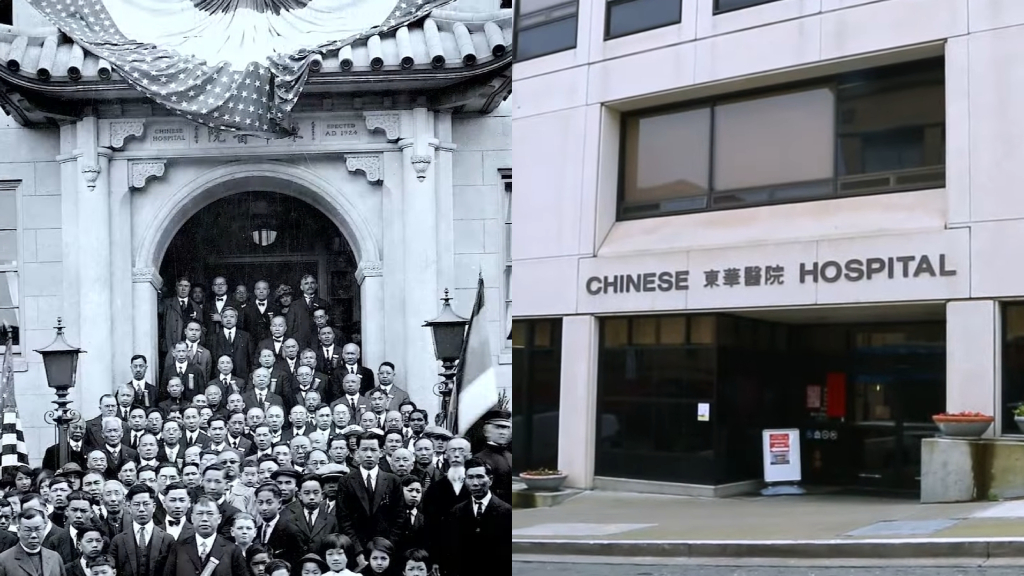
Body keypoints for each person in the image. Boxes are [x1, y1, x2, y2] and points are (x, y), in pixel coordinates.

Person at [335, 432, 404, 556]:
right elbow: (344, 520)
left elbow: (399, 519)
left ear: (381, 452)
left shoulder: (393, 481)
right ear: (357, 453)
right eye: (364, 450)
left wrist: (386, 549)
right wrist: (358, 552)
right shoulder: (345, 481)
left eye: (373, 450)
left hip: (386, 551)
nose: (368, 454)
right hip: (356, 551)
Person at [444, 458, 511, 576]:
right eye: (470, 477)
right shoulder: (456, 512)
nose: (475, 483)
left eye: (480, 477)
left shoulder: (506, 512)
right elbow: (452, 549)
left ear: (490, 480)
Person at [108, 483, 176, 576]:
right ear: (129, 507)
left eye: (146, 504)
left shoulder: (167, 539)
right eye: (136, 505)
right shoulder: (118, 541)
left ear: (154, 507)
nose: (141, 509)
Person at [169, 496, 248, 576]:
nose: (204, 519)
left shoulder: (232, 550)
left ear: (219, 518)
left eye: (210, 514)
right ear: (192, 518)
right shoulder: (178, 548)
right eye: (199, 514)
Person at [0, 509, 64, 576]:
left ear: (44, 529)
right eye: (28, 530)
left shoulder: (55, 557)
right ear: (18, 531)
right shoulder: (4, 560)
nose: (34, 535)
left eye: (38, 529)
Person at [252, 483, 302, 569]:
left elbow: (296, 564)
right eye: (260, 503)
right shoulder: (256, 531)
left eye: (269, 503)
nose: (264, 508)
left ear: (279, 503)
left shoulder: (291, 531)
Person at [474, 410, 512, 505]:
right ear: (486, 431)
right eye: (498, 427)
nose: (503, 432)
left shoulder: (511, 456)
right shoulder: (479, 459)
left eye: (506, 428)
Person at [295, 475, 338, 556]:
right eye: (307, 493)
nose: (312, 497)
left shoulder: (331, 521)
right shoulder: (291, 520)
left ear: (322, 495)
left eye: (316, 493)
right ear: (299, 495)